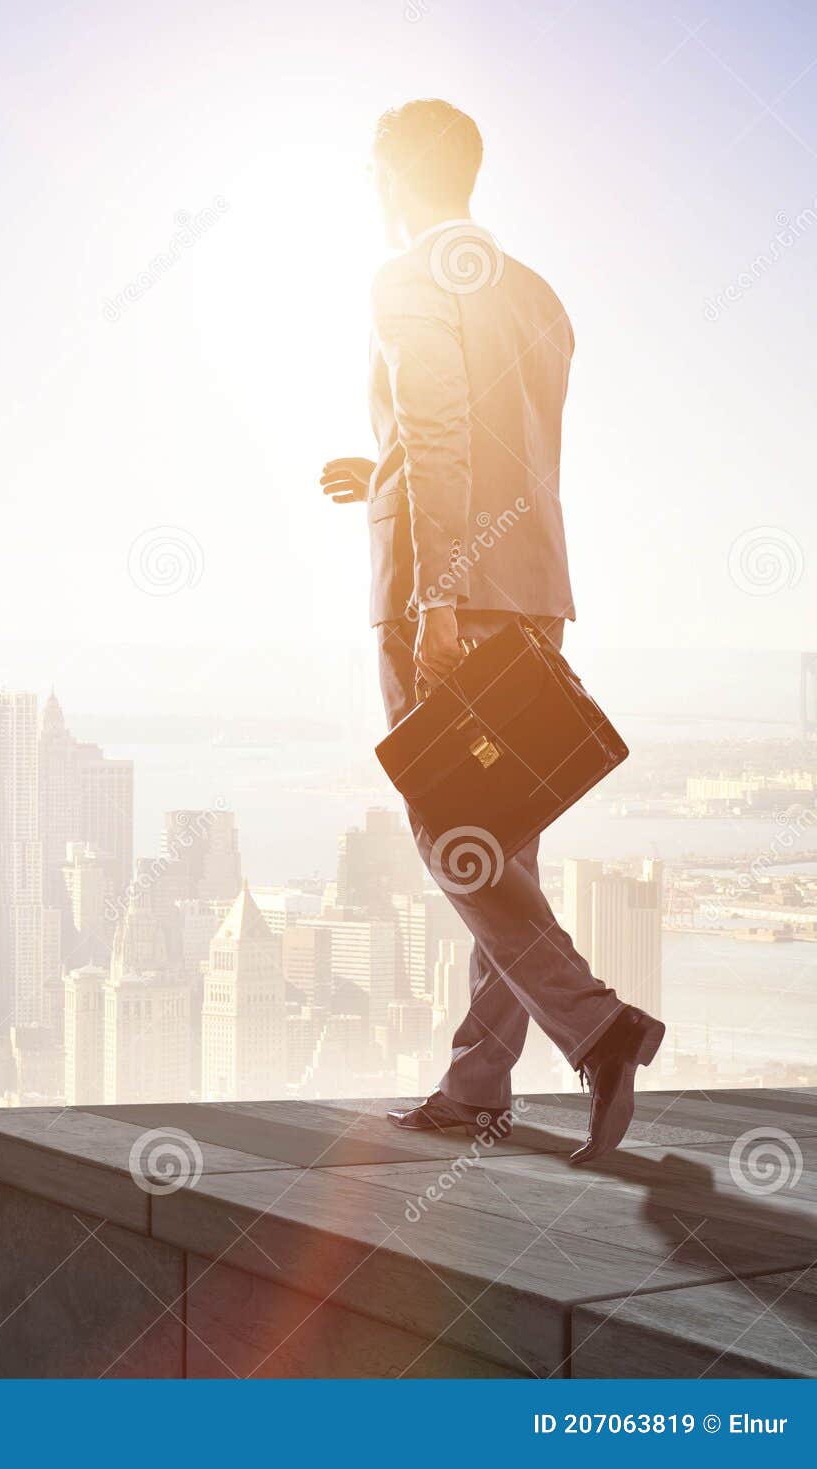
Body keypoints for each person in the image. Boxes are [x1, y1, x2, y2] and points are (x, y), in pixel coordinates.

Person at [321, 98, 663, 1163]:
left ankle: (598, 1026)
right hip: (532, 585)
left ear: (393, 174)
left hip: (448, 594)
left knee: (451, 831)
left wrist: (438, 594)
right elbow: (499, 441)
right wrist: (380, 473)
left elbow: (441, 430)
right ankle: (477, 1086)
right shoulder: (536, 295)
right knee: (499, 835)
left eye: (372, 172)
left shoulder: (408, 278)